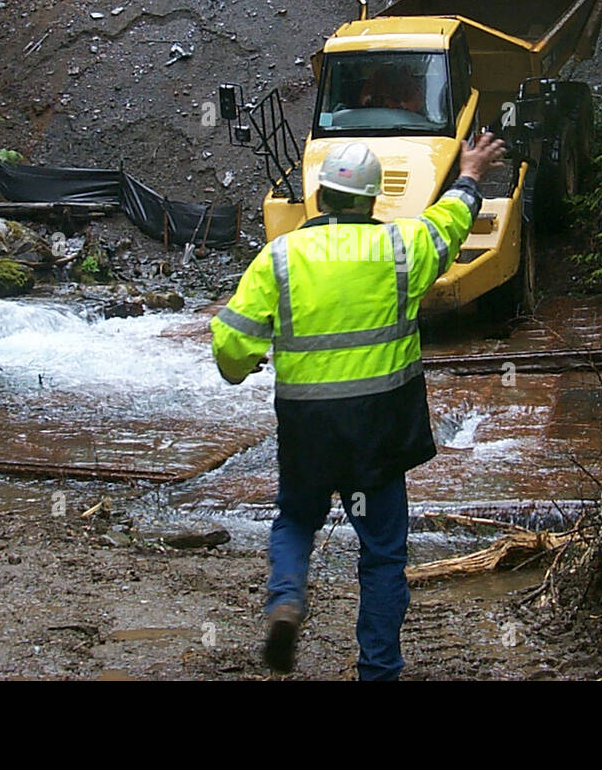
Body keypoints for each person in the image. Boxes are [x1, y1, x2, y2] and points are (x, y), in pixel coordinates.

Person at [210, 131, 508, 680]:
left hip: (309, 430)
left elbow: (231, 344)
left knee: (298, 518)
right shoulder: (401, 248)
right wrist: (469, 173)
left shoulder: (280, 257)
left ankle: (286, 599)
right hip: (379, 434)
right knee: (383, 554)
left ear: (319, 197)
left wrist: (242, 364)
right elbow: (450, 224)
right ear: (373, 202)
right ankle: (378, 669)